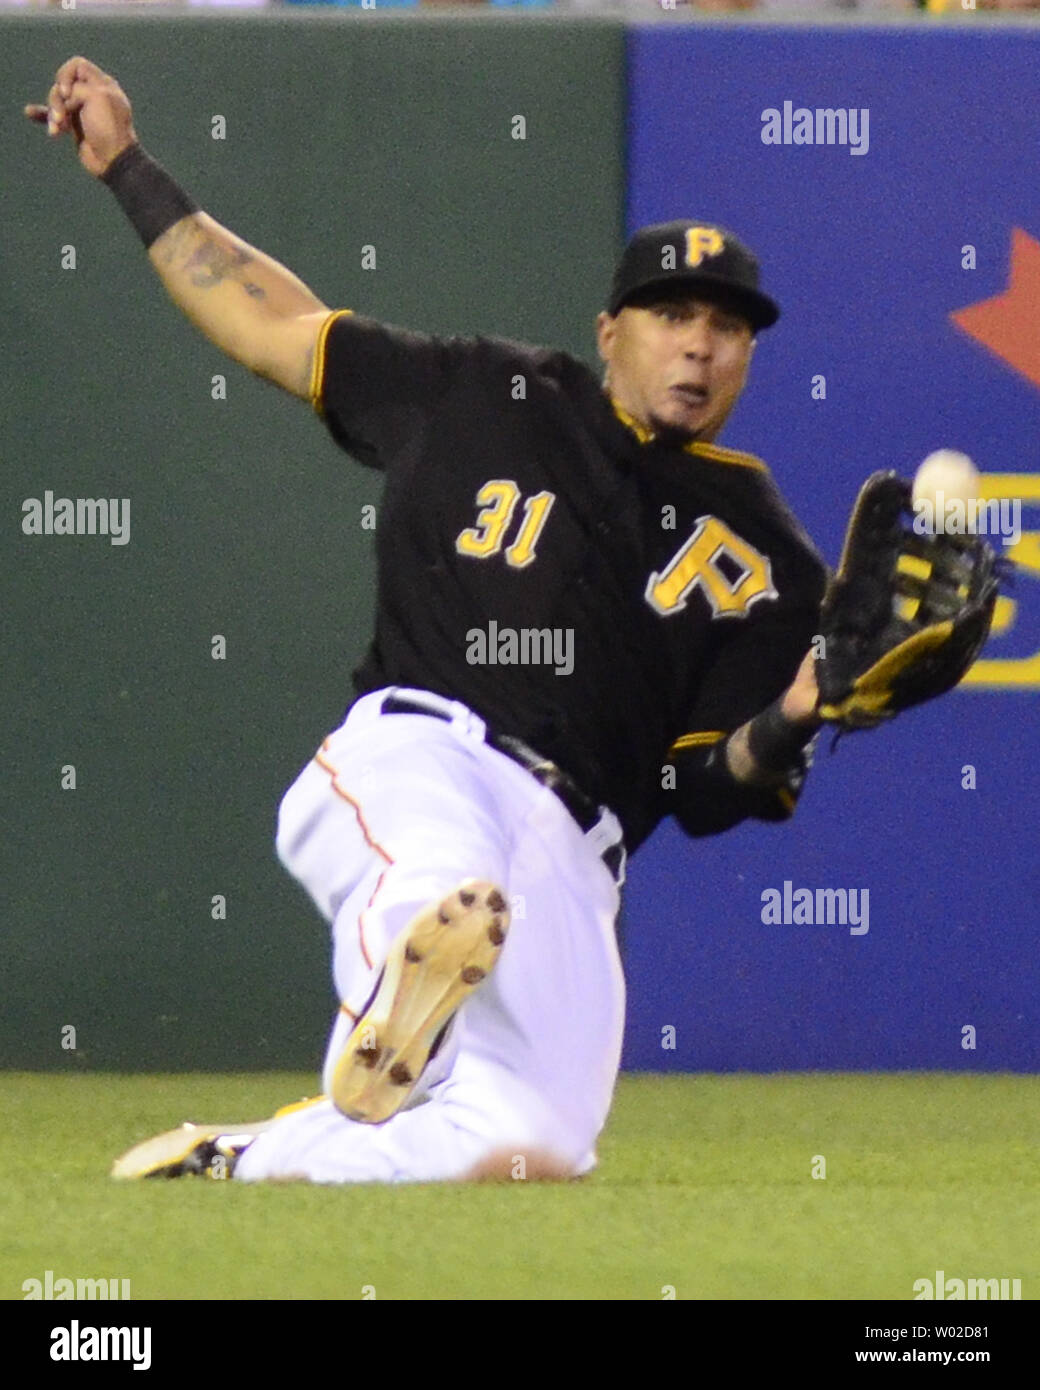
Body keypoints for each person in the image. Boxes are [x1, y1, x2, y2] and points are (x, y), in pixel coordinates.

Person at [28, 56, 828, 1185]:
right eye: (671, 313)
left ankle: (234, 1161)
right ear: (611, 330)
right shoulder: (481, 392)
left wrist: (799, 710)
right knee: (440, 876)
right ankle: (406, 984)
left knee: (528, 1148)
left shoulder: (768, 553)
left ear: (749, 353)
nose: (699, 342)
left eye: (727, 326)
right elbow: (276, 326)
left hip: (576, 850)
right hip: (424, 750)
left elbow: (704, 789)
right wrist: (126, 168)